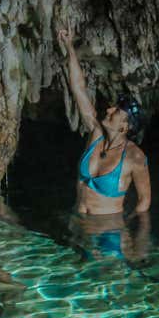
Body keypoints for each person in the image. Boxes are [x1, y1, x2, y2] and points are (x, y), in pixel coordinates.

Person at [57, 28, 151, 216]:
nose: (109, 110)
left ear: (125, 127)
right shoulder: (96, 132)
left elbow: (144, 201)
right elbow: (78, 88)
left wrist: (131, 232)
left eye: (116, 111)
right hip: (78, 224)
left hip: (107, 233)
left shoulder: (135, 157)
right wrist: (69, 47)